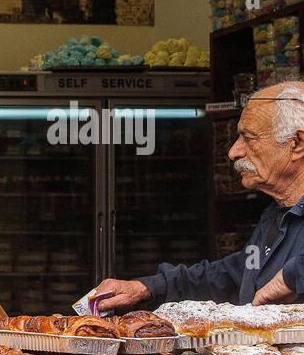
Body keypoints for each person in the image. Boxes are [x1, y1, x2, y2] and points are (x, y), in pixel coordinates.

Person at [96, 80, 304, 310]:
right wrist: (147, 287)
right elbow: (230, 277)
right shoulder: (275, 216)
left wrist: (292, 276)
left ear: (297, 144)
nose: (234, 151)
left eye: (250, 137)